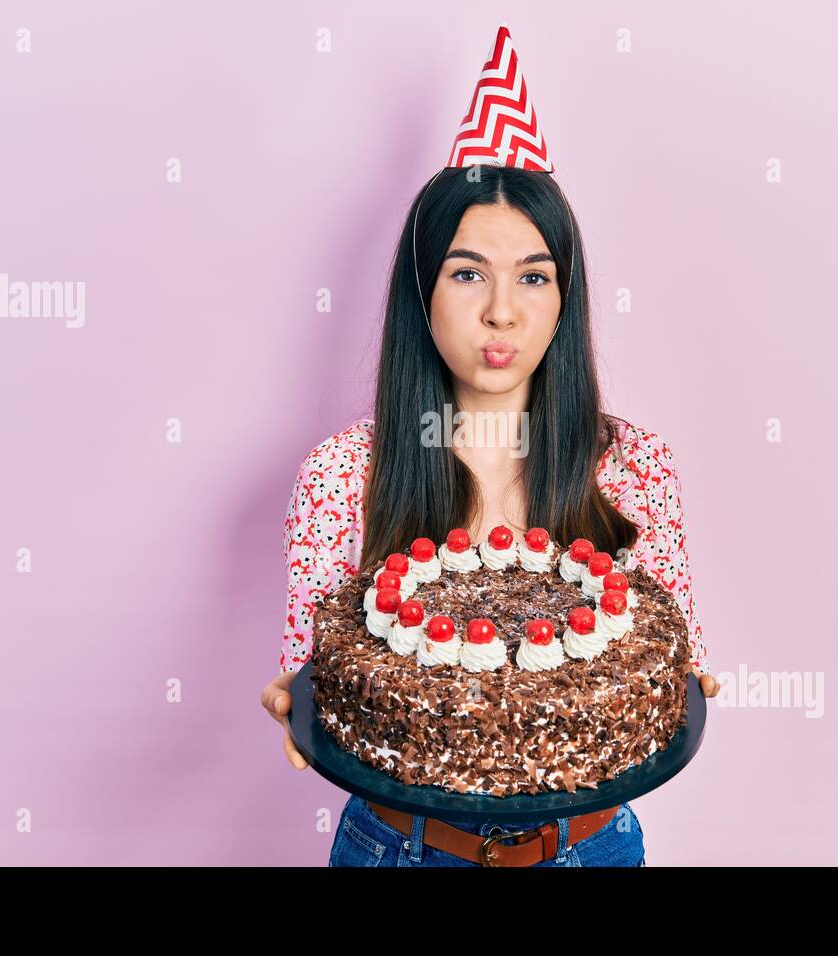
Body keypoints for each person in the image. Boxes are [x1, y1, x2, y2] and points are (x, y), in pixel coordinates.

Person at [260, 26, 718, 867]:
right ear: (422, 292)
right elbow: (318, 674)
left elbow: (670, 648)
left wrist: (683, 678)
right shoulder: (339, 476)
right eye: (468, 273)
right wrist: (297, 695)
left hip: (593, 847)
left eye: (534, 276)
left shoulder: (640, 467)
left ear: (564, 299)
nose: (501, 312)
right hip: (399, 848)